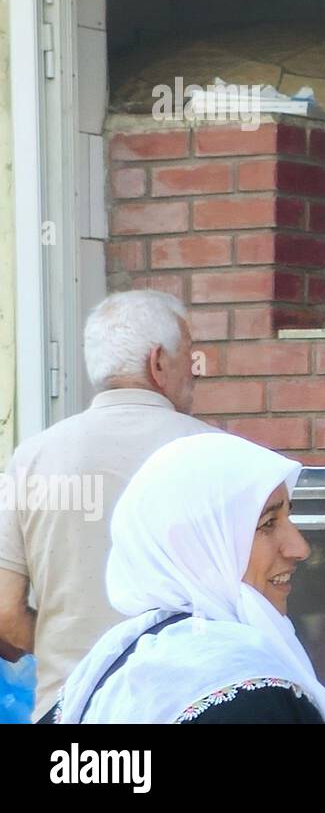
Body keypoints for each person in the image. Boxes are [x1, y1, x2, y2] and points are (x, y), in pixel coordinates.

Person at [0, 290, 214, 721]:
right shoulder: (214, 454)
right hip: (186, 704)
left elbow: (4, 612)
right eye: (189, 355)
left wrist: (81, 650)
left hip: (70, 706)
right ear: (157, 363)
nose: (197, 371)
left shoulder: (32, 457)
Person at [52, 433, 325, 723]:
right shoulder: (248, 690)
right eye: (267, 524)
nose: (300, 548)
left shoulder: (117, 658)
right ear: (194, 546)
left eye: (288, 517)